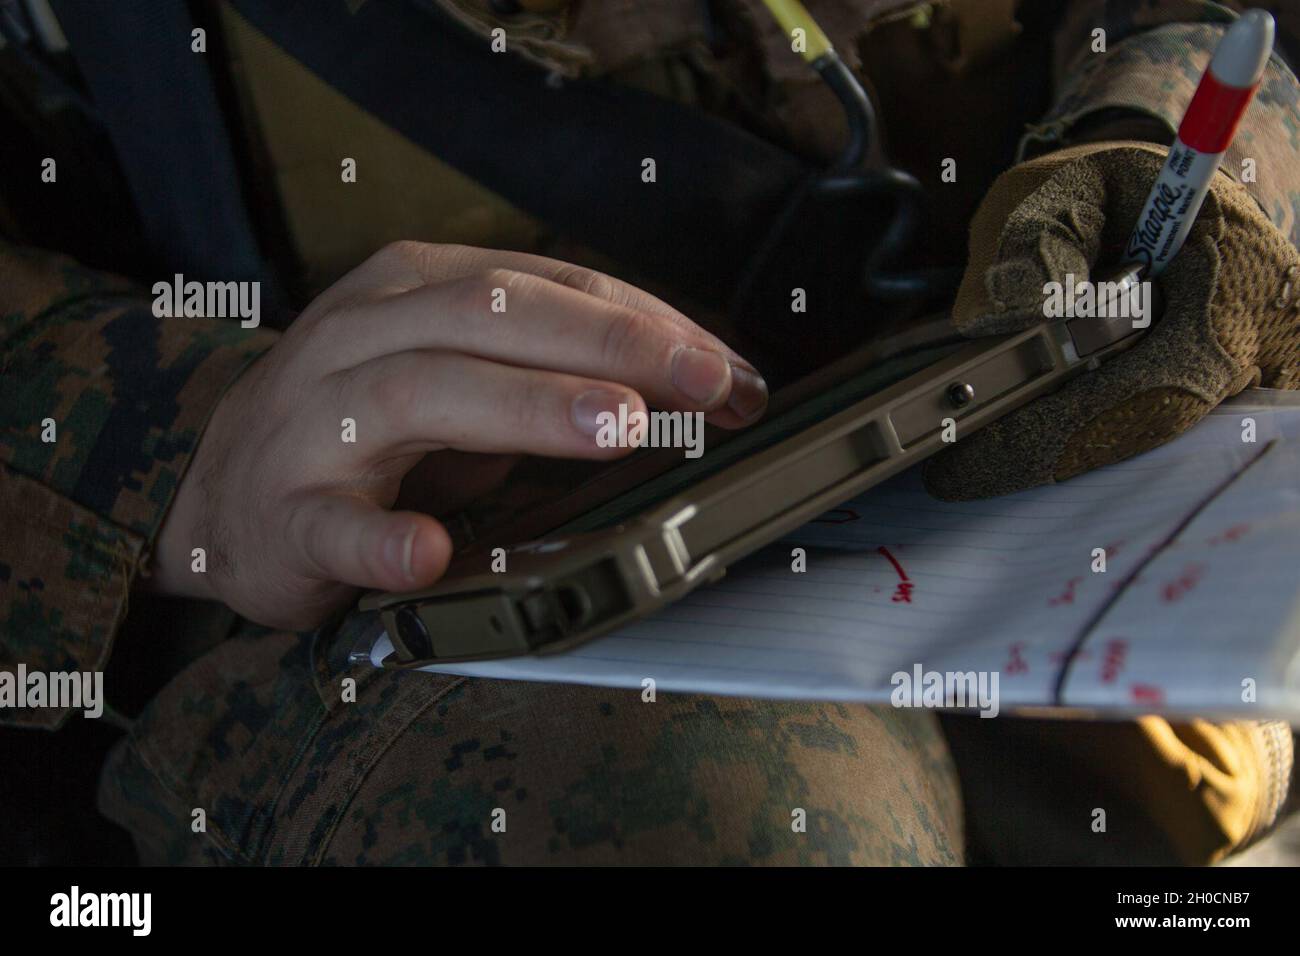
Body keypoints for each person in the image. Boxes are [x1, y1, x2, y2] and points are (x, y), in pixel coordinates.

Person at [0, 0, 1294, 865]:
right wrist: (186, 434)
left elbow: (1238, 30)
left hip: (1081, 503)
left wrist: (1159, 145)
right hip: (425, 568)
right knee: (720, 797)